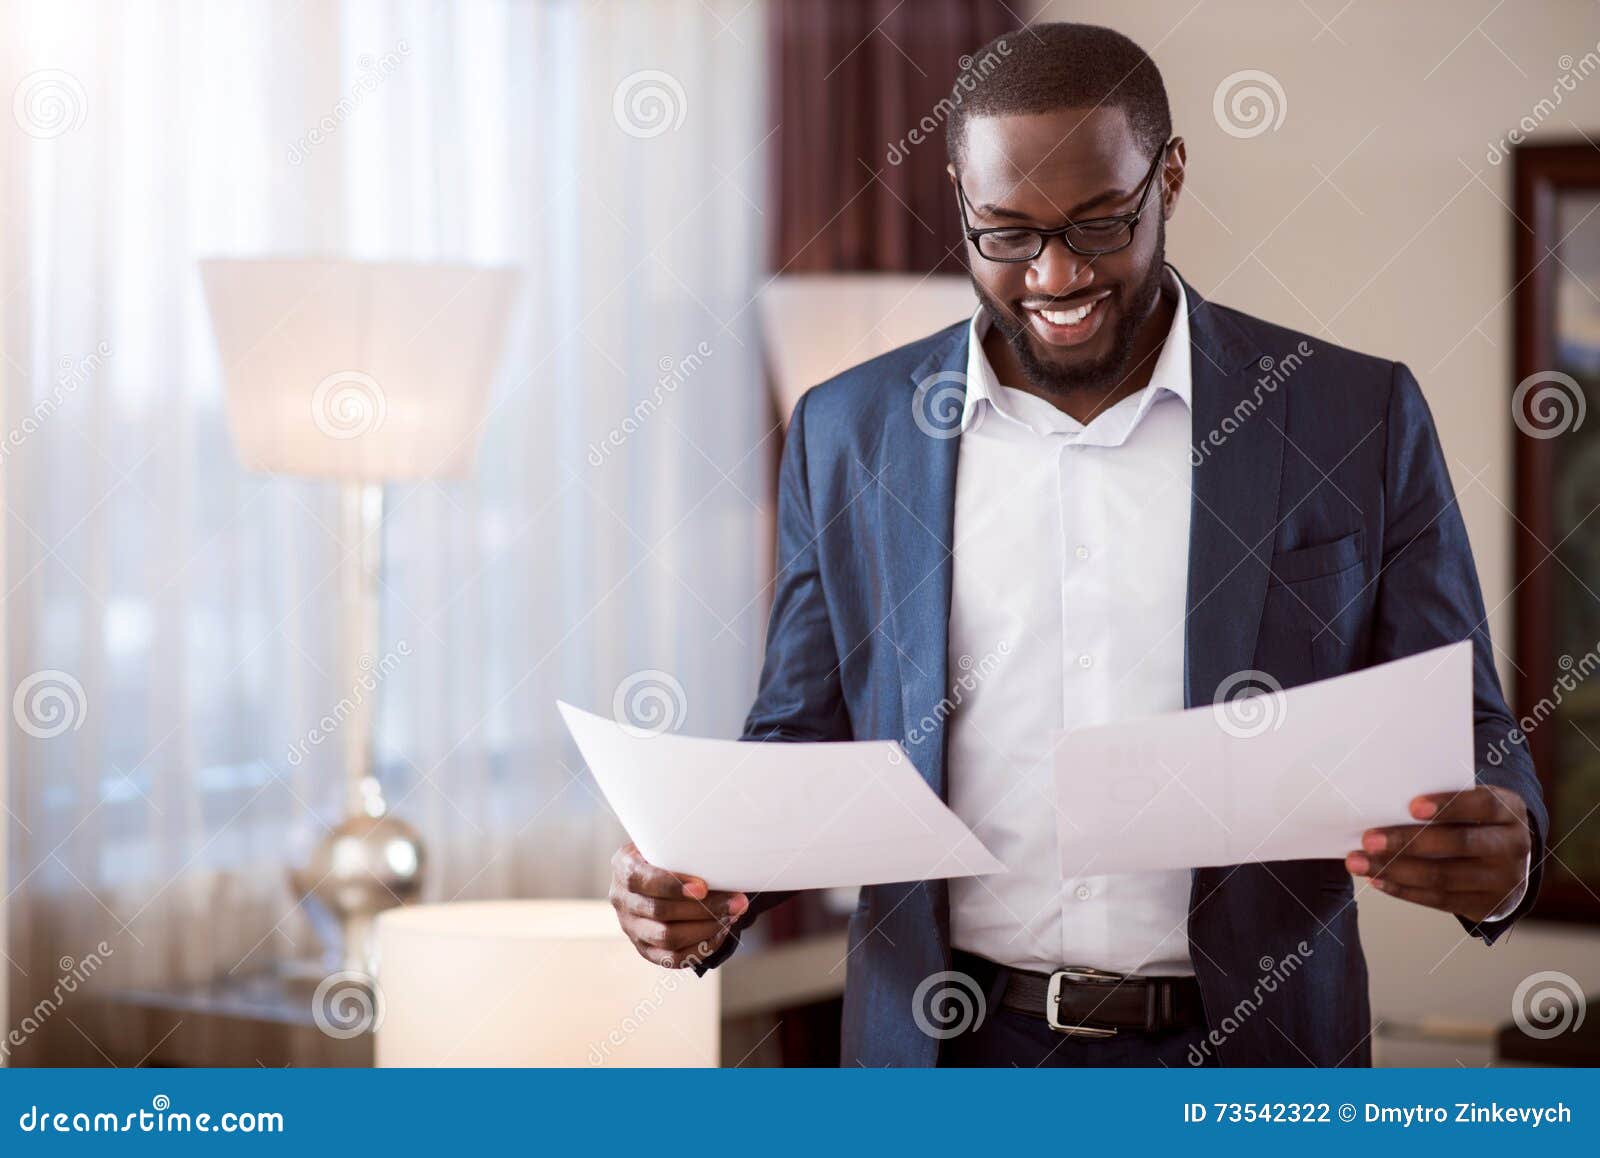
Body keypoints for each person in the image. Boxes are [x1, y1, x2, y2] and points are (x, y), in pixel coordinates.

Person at [608, 21, 1543, 1067]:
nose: (1053, 276)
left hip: (1254, 1055)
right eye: (1003, 233)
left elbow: (1470, 729)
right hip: (946, 1057)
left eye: (1099, 224)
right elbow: (801, 736)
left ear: (1170, 177)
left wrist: (1506, 853)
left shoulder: (1349, 416)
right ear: (959, 197)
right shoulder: (847, 430)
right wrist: (701, 882)